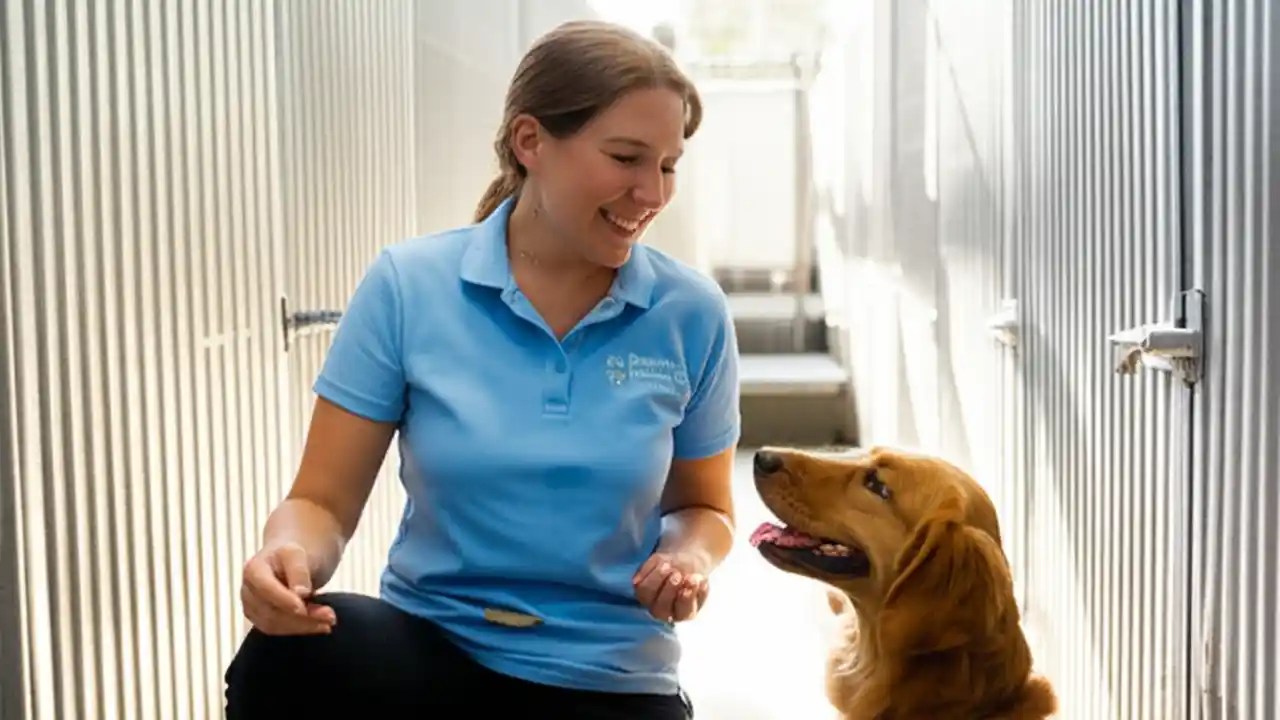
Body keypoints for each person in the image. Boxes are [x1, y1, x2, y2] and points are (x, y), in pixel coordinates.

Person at [224, 19, 740, 719]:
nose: (652, 193)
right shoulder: (409, 286)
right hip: (435, 646)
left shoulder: (691, 313)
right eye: (626, 158)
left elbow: (704, 508)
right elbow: (321, 502)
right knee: (289, 658)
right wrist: (286, 554)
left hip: (609, 674)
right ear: (531, 142)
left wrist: (688, 560)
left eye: (668, 165)